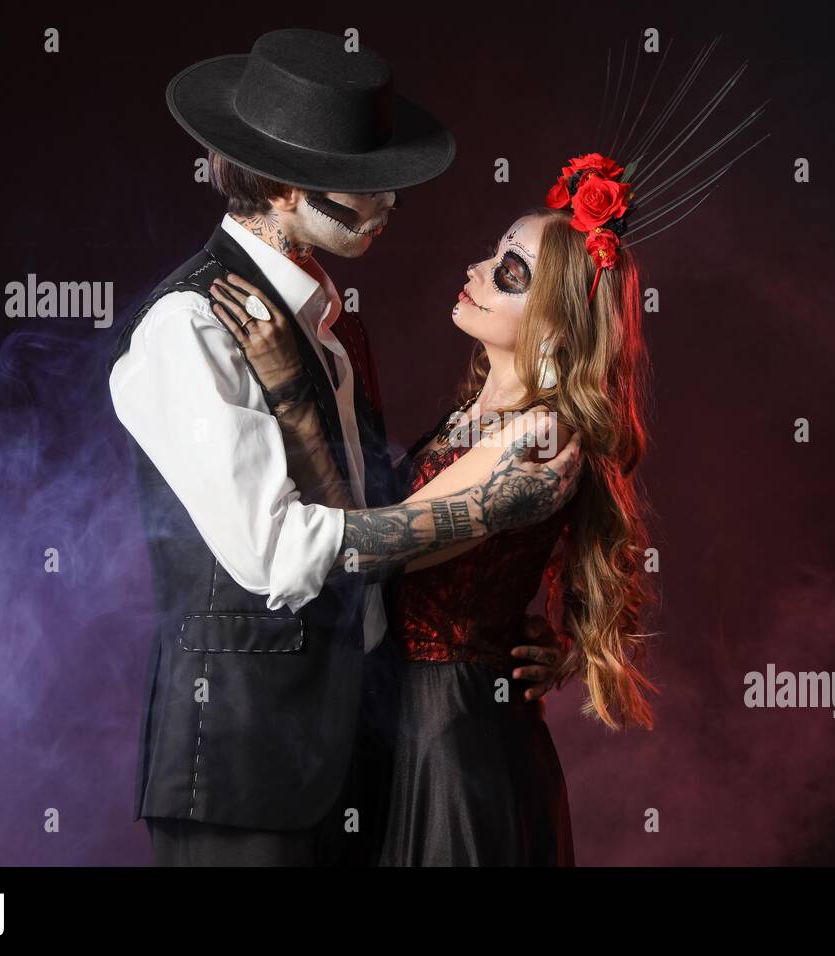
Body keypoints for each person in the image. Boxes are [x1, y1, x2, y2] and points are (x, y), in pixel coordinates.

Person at [107, 28, 581, 867]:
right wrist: (486, 508)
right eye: (366, 187)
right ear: (290, 189)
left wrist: (519, 626)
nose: (389, 206)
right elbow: (280, 554)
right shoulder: (190, 326)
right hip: (243, 766)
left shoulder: (327, 330)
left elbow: (371, 517)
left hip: (367, 751)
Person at [212, 150, 660, 864]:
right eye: (491, 255)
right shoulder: (475, 417)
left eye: (510, 271)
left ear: (556, 326)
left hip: (452, 737)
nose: (477, 273)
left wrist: (292, 396)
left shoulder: (536, 435)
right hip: (417, 718)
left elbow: (374, 549)